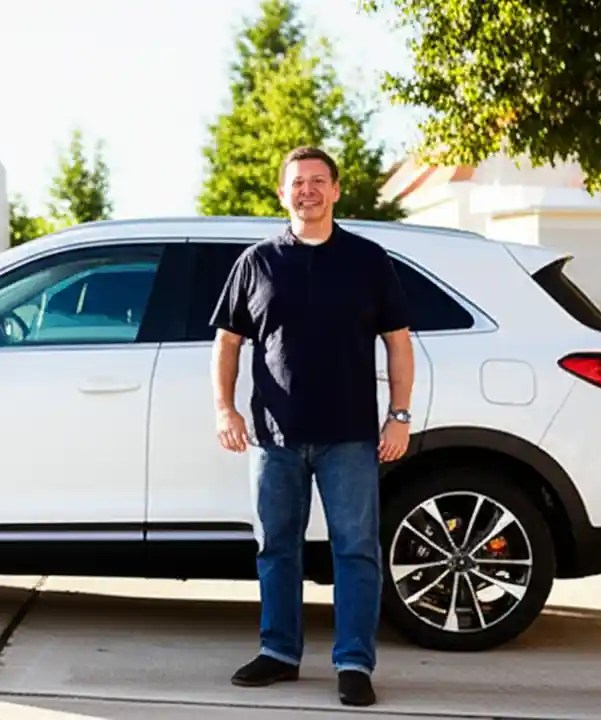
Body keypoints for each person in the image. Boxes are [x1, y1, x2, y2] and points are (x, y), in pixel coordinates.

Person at [209, 146, 413, 707]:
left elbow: (399, 342)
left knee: (356, 550)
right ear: (283, 193)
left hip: (350, 435)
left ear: (336, 191)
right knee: (276, 547)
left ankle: (354, 663)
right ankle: (279, 653)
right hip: (273, 437)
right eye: (298, 182)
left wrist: (399, 416)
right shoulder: (256, 262)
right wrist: (225, 408)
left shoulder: (368, 260)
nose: (308, 191)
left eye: (318, 181)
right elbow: (227, 342)